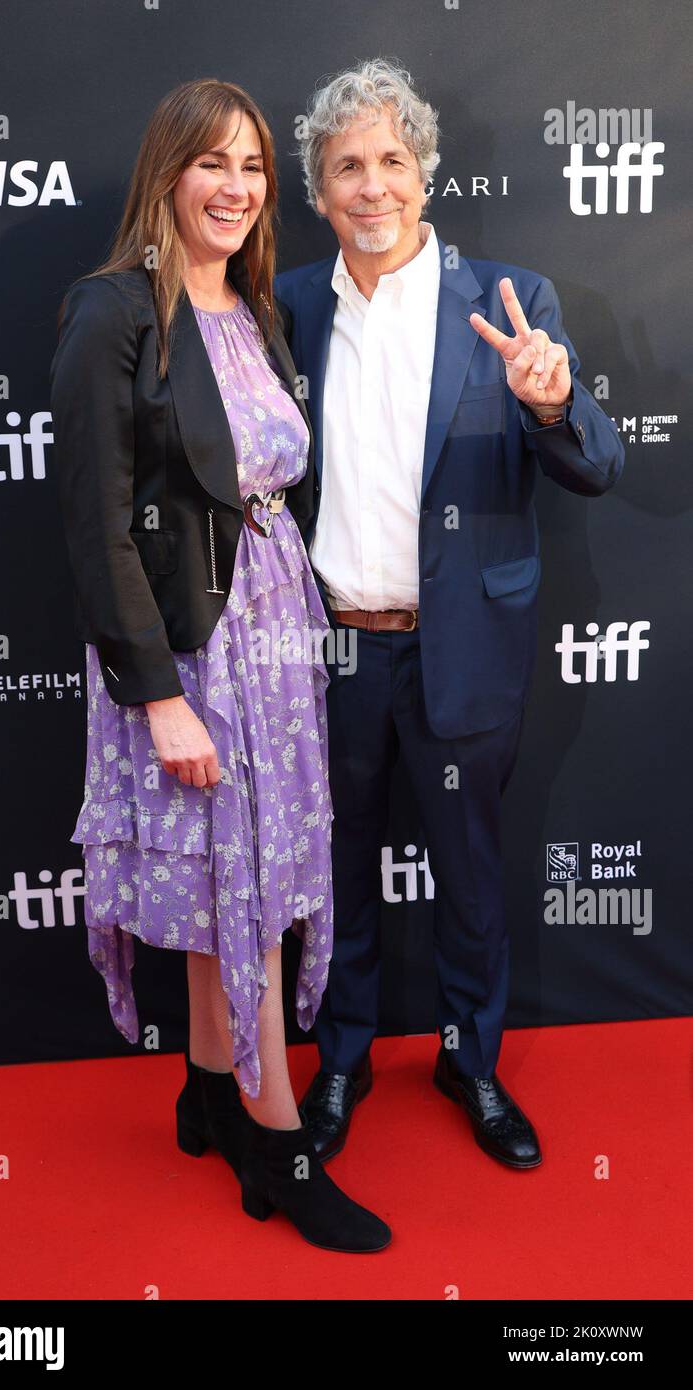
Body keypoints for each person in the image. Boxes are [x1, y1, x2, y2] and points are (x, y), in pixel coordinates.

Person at [49, 78, 390, 1253]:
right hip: (188, 659)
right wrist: (156, 699)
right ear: (167, 173)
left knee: (229, 890)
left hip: (273, 645)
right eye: (213, 163)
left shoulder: (253, 309)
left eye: (253, 165)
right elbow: (96, 529)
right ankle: (282, 1136)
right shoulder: (114, 314)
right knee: (232, 887)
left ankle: (208, 1090)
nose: (238, 186)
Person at [274, 58, 625, 1167]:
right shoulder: (283, 308)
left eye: (390, 160)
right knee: (335, 870)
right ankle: (340, 1057)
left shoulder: (509, 303)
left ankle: (472, 1061)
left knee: (471, 874)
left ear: (424, 172)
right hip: (330, 648)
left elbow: (600, 467)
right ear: (318, 192)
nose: (371, 186)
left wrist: (555, 398)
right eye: (345, 168)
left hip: (462, 646)